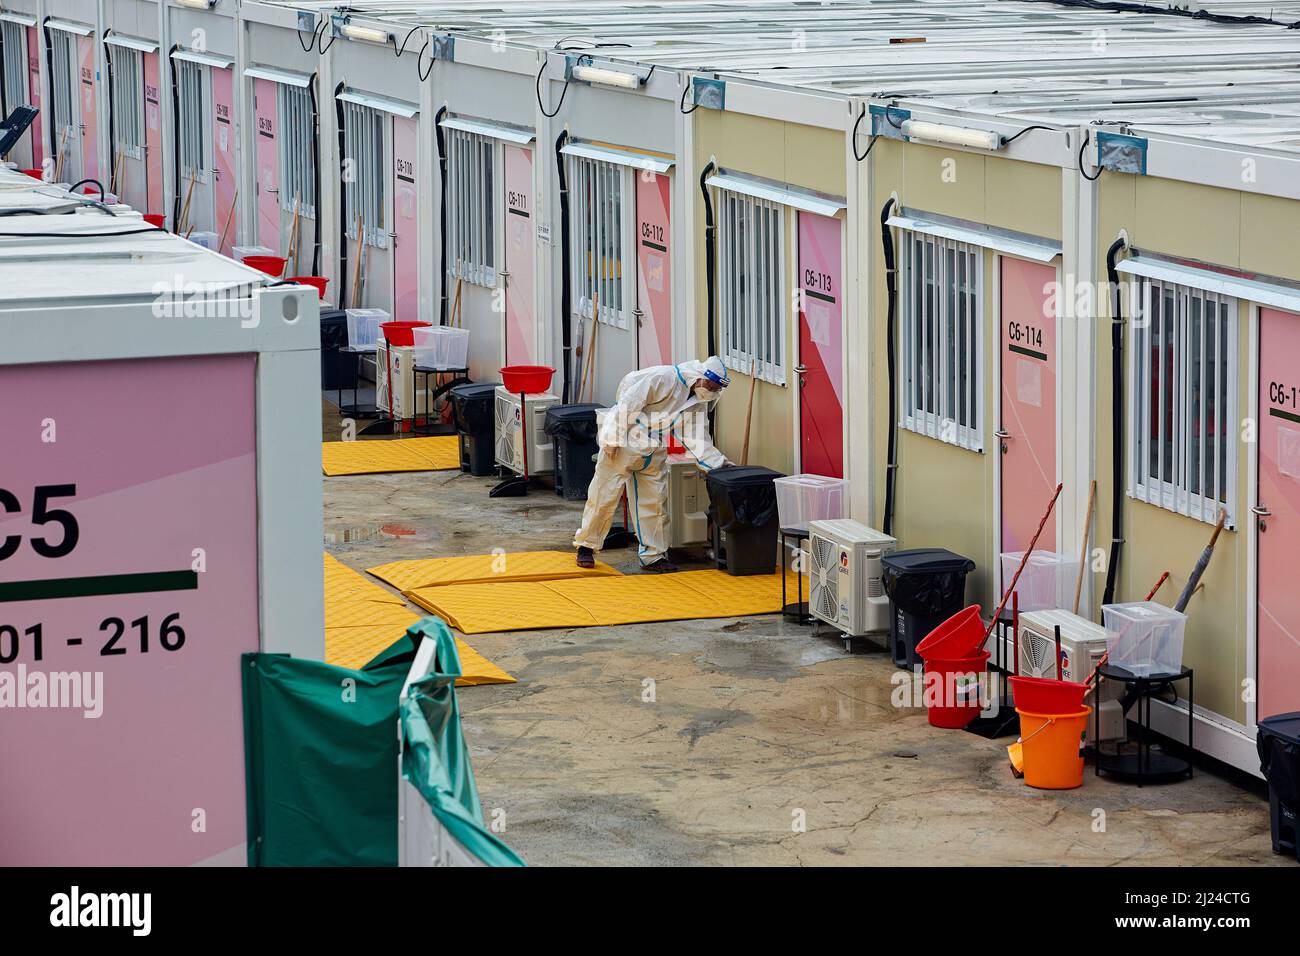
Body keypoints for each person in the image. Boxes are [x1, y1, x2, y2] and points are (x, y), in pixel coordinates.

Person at [574, 357, 731, 572]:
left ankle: (653, 556)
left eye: (716, 390)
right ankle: (586, 546)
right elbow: (628, 404)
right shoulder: (664, 378)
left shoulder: (695, 403)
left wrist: (720, 466)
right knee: (604, 494)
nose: (711, 392)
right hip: (625, 443)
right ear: (701, 378)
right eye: (711, 387)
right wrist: (611, 439)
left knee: (655, 502)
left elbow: (697, 438)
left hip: (654, 447)